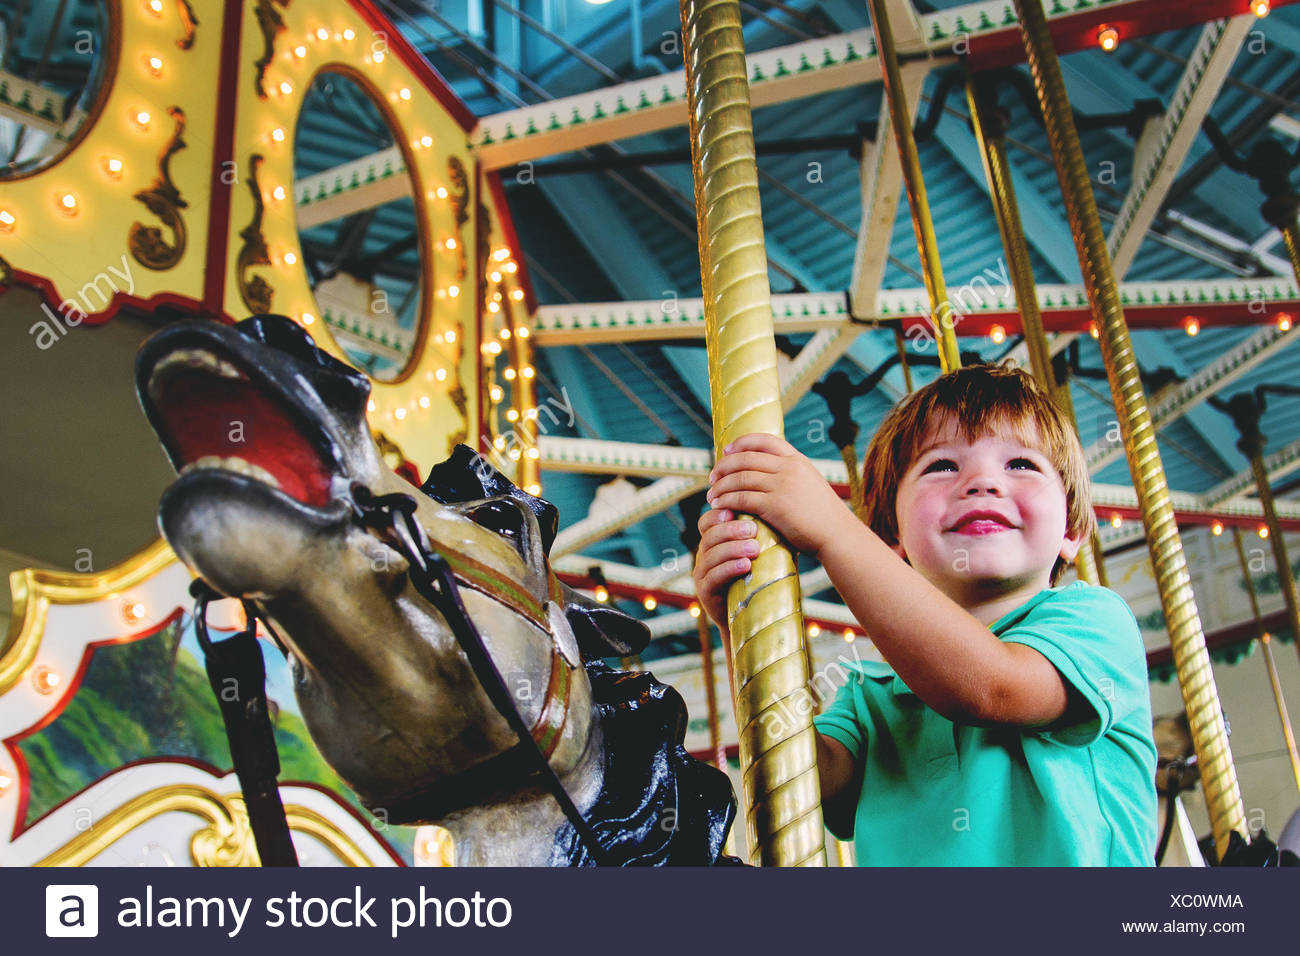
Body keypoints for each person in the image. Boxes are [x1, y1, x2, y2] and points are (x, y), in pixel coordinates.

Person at [694, 363, 1157, 865]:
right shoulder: (869, 700)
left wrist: (832, 530)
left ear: (1072, 528)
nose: (982, 482)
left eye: (1021, 464)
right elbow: (797, 778)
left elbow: (993, 688)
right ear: (893, 536)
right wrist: (744, 629)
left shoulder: (1095, 622)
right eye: (942, 466)